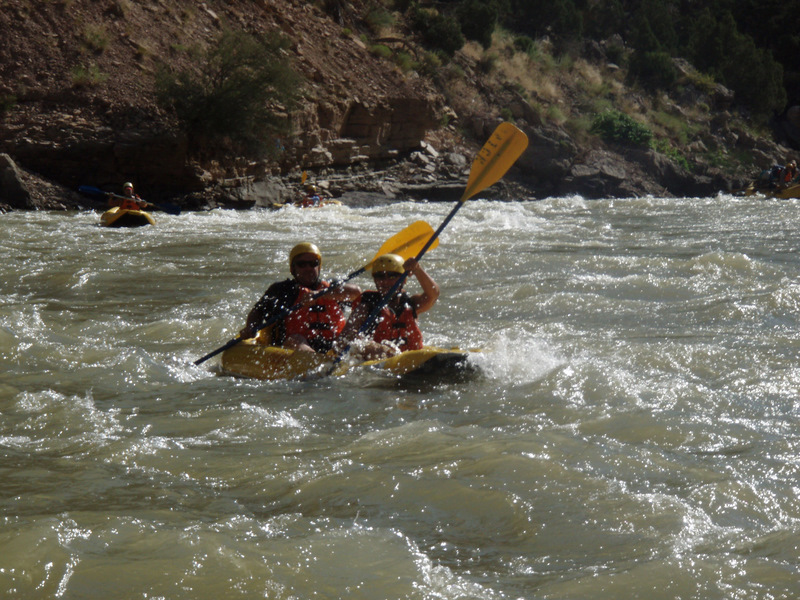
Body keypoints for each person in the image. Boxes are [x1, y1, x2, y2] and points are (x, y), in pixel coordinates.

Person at [240, 242, 361, 353]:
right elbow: (258, 312)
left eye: (313, 263)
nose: (308, 268)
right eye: (302, 264)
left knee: (354, 335)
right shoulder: (281, 290)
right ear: (293, 268)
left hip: (333, 345)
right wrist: (251, 327)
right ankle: (314, 361)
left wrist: (320, 294)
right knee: (295, 339)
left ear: (319, 267)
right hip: (296, 346)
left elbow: (356, 292)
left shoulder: (331, 288)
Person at [336, 253, 439, 360]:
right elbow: (342, 342)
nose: (385, 281)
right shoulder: (366, 306)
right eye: (380, 276)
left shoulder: (411, 303)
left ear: (404, 279)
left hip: (410, 359)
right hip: (379, 365)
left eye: (392, 275)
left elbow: (433, 295)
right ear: (375, 280)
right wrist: (371, 347)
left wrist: (417, 270)